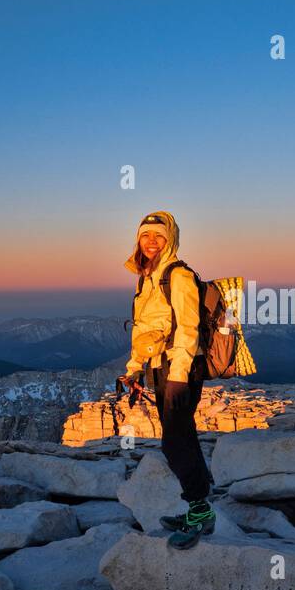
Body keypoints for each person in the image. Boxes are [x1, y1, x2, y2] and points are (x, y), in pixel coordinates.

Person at [118, 210, 216, 549]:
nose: (150, 242)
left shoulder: (178, 276)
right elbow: (145, 331)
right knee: (182, 437)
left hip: (181, 369)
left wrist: (178, 377)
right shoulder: (147, 278)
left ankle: (200, 510)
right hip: (160, 367)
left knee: (174, 442)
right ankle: (197, 505)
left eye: (158, 236)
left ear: (170, 239)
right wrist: (134, 368)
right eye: (145, 236)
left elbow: (188, 330)